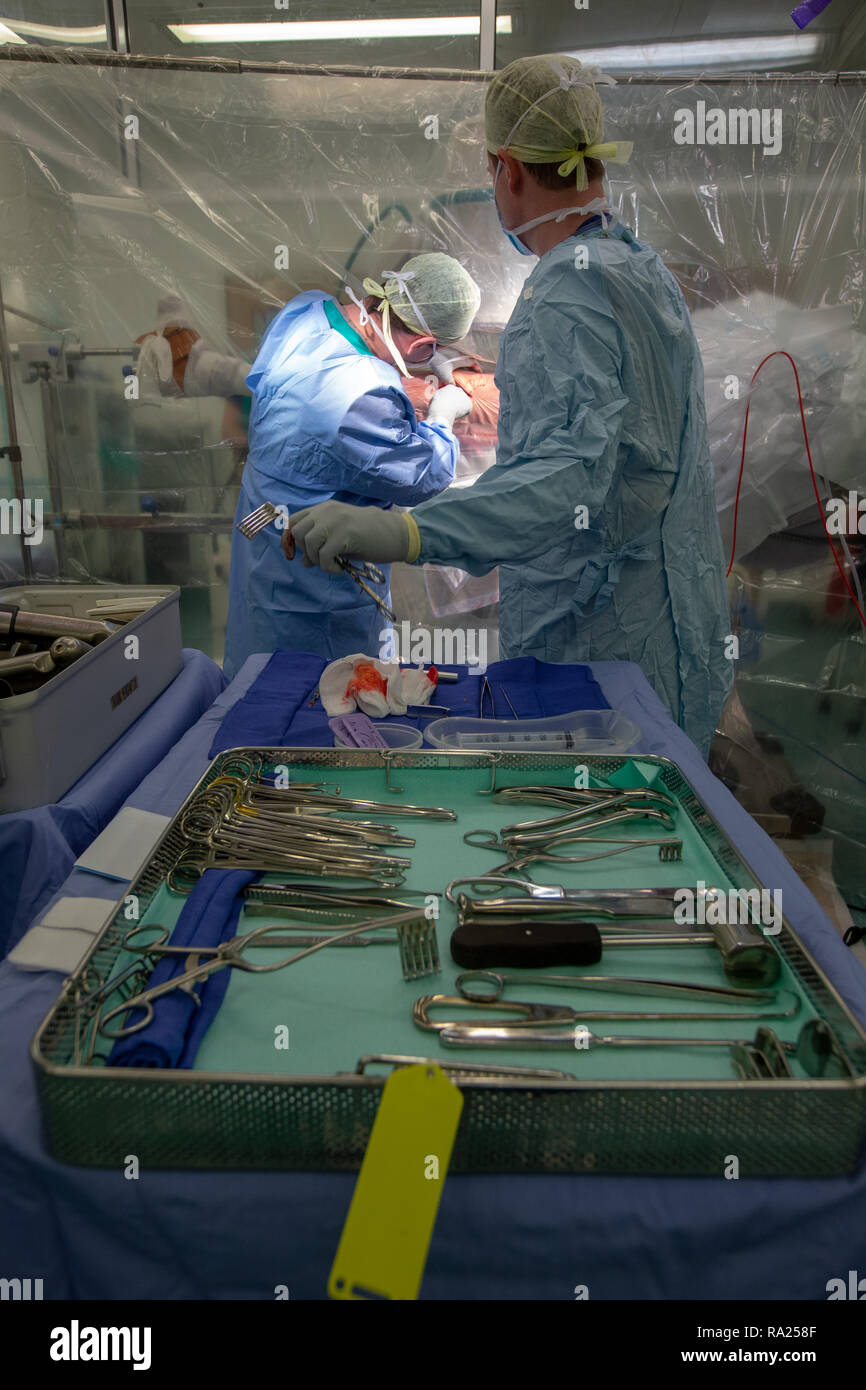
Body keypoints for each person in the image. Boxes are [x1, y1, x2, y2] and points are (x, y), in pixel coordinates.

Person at [285, 54, 733, 757]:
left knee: (590, 842)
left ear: (509, 170)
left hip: (598, 646)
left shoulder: (565, 291)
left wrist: (405, 532)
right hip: (668, 634)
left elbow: (565, 480)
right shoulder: (643, 271)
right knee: (645, 842)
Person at [222, 252, 481, 677]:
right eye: (430, 353)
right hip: (315, 596)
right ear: (421, 346)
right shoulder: (364, 397)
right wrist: (443, 414)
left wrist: (399, 393)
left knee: (256, 692)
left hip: (262, 548)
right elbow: (423, 475)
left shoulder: (306, 310)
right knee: (330, 708)